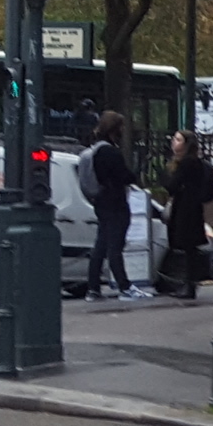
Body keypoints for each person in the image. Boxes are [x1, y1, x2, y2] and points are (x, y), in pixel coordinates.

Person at [81, 111, 141, 300]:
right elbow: (125, 176)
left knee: (100, 245)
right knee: (115, 247)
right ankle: (125, 287)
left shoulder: (95, 150)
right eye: (121, 127)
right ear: (115, 129)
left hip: (101, 201)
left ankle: (93, 288)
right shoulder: (111, 152)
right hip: (115, 203)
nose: (124, 130)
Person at [163, 130, 213, 298]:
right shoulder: (193, 162)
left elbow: (171, 185)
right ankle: (188, 284)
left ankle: (189, 285)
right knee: (189, 248)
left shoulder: (187, 163)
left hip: (186, 209)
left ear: (186, 144)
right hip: (191, 208)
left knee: (188, 247)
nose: (174, 142)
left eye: (178, 139)